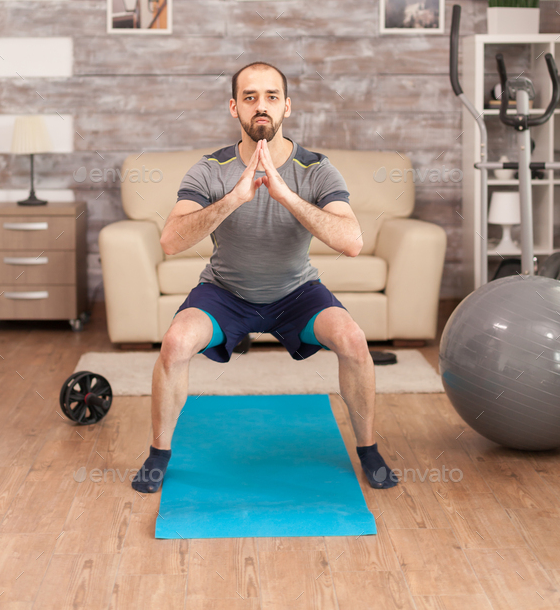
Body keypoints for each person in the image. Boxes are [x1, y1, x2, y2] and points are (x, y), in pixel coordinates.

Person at [132, 62, 398, 493]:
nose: (261, 106)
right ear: (234, 107)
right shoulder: (210, 169)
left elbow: (351, 242)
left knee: (353, 340)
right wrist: (234, 198)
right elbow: (171, 241)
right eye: (250, 97)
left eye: (272, 96)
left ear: (286, 107)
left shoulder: (316, 169)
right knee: (176, 343)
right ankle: (158, 455)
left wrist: (287, 196)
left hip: (296, 293)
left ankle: (369, 450)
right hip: (225, 292)